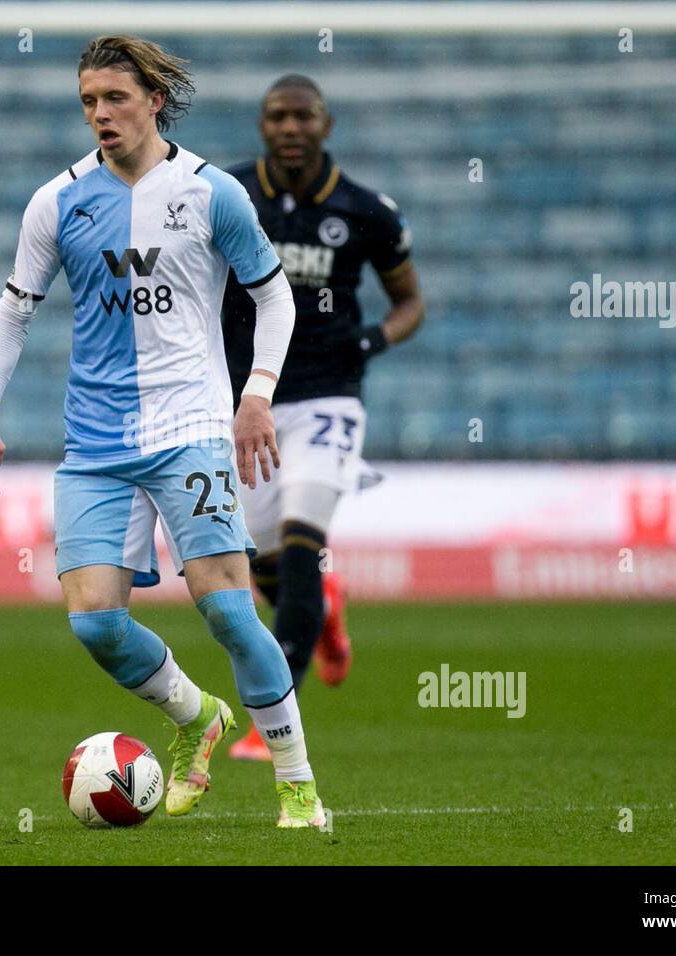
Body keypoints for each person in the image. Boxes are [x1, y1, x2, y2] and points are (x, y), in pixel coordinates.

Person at [0, 38, 327, 827]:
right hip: (95, 444)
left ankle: (297, 784)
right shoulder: (55, 202)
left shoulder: (211, 193)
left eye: (115, 99)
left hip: (190, 426)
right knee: (94, 621)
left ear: (153, 100)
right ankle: (199, 716)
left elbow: (276, 298)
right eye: (89, 101)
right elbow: (13, 313)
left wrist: (256, 396)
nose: (100, 114)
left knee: (228, 611)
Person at [221, 75, 425, 761]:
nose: (290, 127)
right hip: (249, 402)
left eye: (302, 116)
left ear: (325, 124)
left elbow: (409, 304)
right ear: (262, 125)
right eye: (278, 116)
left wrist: (370, 340)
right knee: (263, 562)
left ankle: (273, 718)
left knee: (303, 543)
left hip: (328, 396)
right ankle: (326, 616)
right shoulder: (225, 196)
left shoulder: (365, 211)